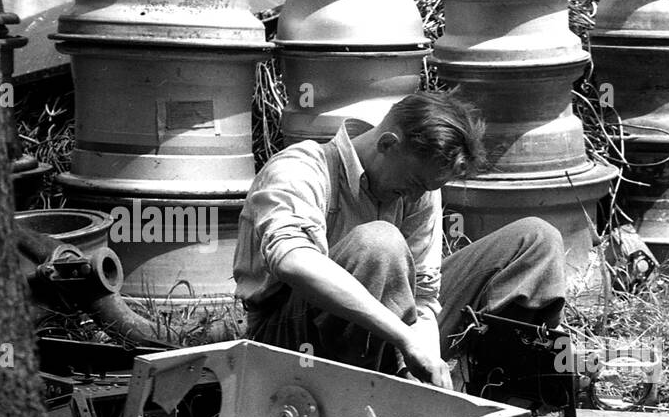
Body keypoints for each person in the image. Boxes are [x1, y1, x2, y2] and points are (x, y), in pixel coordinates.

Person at [234, 91, 566, 387]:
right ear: (388, 144)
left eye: (429, 188)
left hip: (398, 332)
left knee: (536, 238)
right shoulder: (300, 168)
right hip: (292, 341)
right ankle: (366, 409)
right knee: (379, 244)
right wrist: (405, 339)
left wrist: (427, 361)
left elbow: (422, 295)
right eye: (415, 183)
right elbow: (292, 260)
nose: (418, 195)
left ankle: (497, 399)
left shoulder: (418, 186)